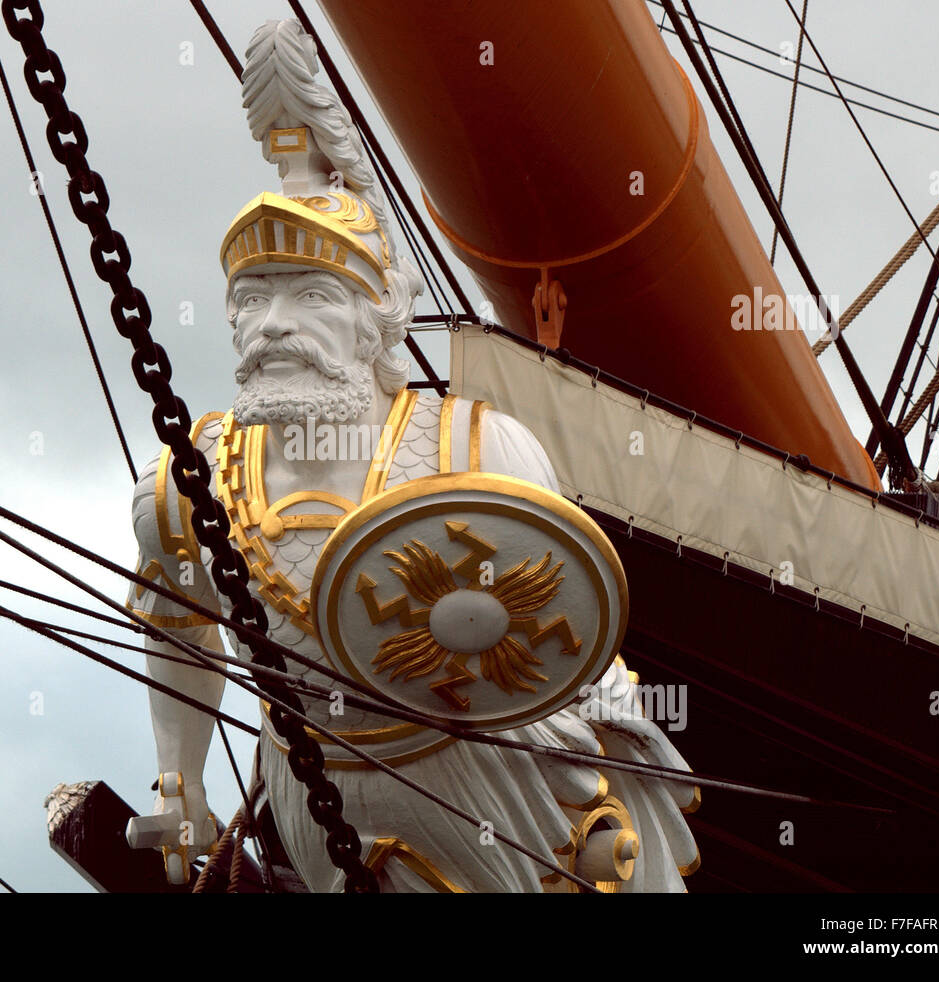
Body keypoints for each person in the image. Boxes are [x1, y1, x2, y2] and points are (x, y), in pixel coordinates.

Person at [125, 18, 699, 892]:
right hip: (314, 784)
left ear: (373, 318)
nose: (272, 324)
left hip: (499, 785)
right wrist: (181, 779)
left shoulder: (473, 448)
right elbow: (178, 620)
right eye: (251, 300)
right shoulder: (194, 480)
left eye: (310, 294)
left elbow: (567, 628)